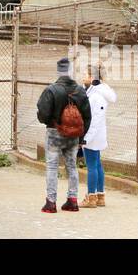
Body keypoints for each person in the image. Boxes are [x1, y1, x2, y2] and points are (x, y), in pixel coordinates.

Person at [36, 57, 91, 213]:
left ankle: (51, 202)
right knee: (72, 166)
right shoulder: (80, 90)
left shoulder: (51, 90)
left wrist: (51, 121)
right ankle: (72, 201)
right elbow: (87, 116)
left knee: (52, 166)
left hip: (54, 132)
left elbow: (43, 114)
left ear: (59, 71)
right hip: (73, 135)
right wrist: (81, 136)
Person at [81, 66, 117, 207]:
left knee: (92, 166)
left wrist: (86, 138)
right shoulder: (98, 91)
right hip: (98, 134)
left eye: (86, 74)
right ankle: (100, 196)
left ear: (93, 77)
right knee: (97, 164)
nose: (83, 76)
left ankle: (91, 198)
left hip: (93, 135)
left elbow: (94, 120)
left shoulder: (96, 96)